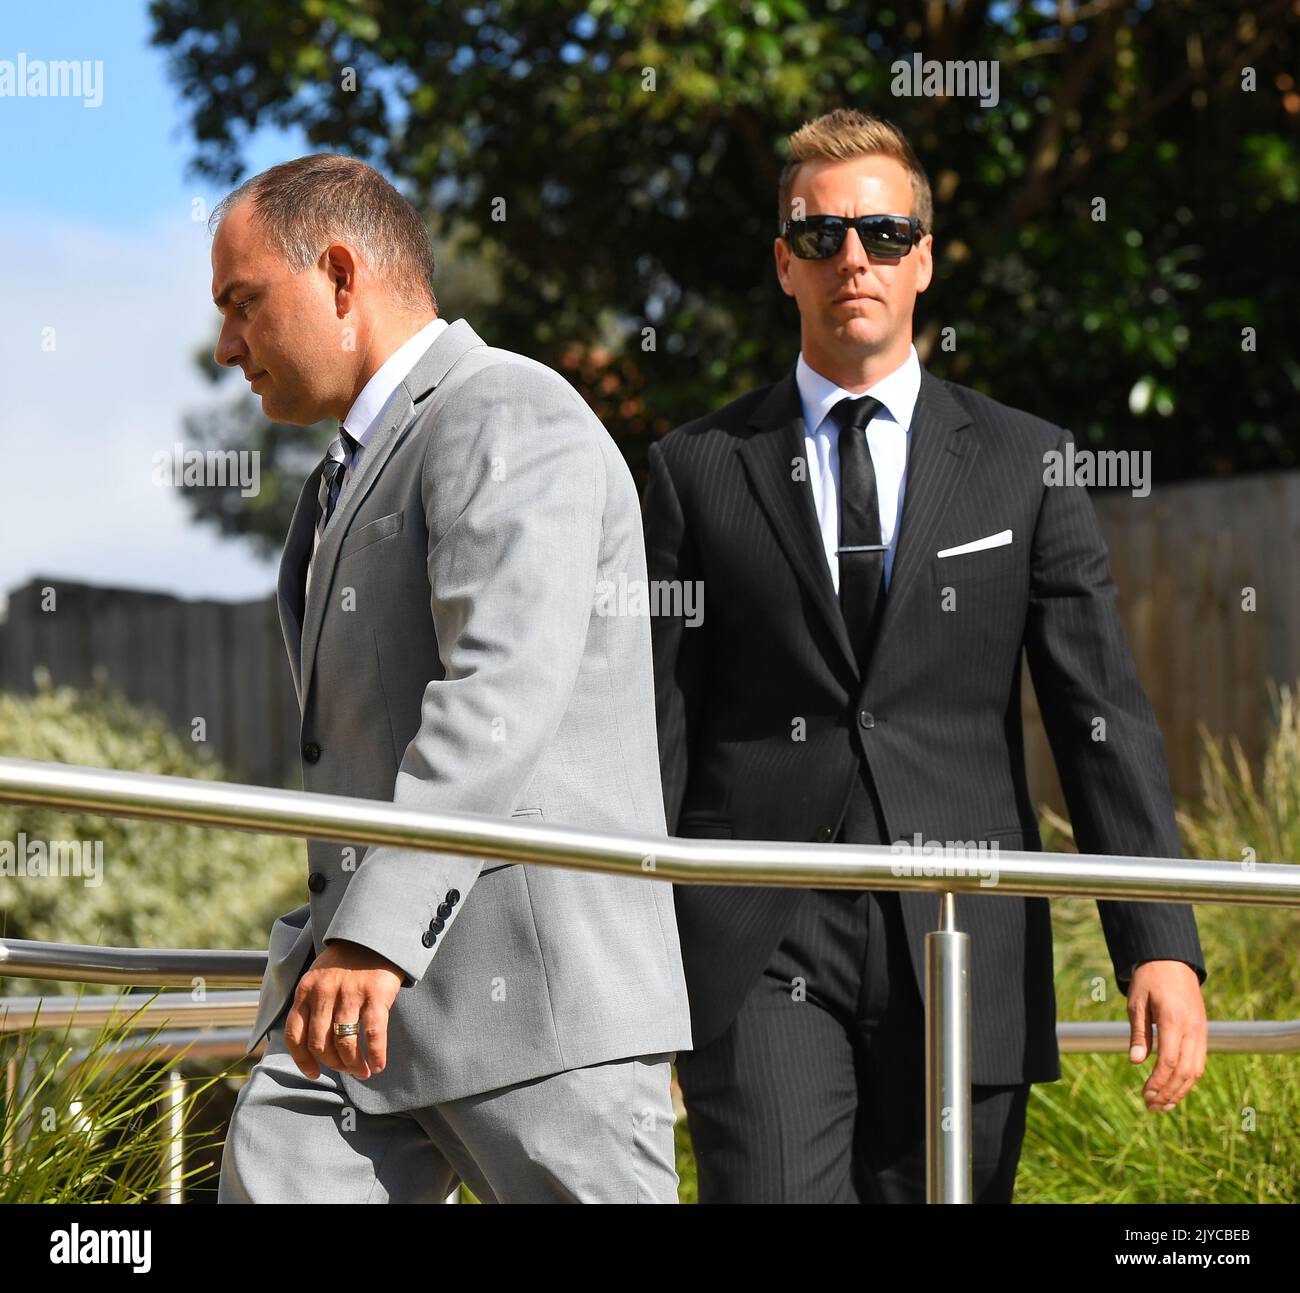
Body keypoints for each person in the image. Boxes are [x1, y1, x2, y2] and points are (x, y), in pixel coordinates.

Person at [643, 108, 1208, 1204]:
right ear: (783, 264)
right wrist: (633, 967)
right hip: (759, 935)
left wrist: (1160, 942)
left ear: (924, 260)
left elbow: (1099, 714)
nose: (853, 257)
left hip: (962, 931)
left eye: (884, 234)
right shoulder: (694, 467)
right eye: (820, 237)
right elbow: (656, 732)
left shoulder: (1024, 462)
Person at [210, 154, 691, 1204]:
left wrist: (374, 937)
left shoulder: (506, 409)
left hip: (535, 1010)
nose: (226, 346)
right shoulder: (343, 472)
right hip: (349, 1019)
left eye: (244, 304)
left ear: (339, 275)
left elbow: (497, 692)